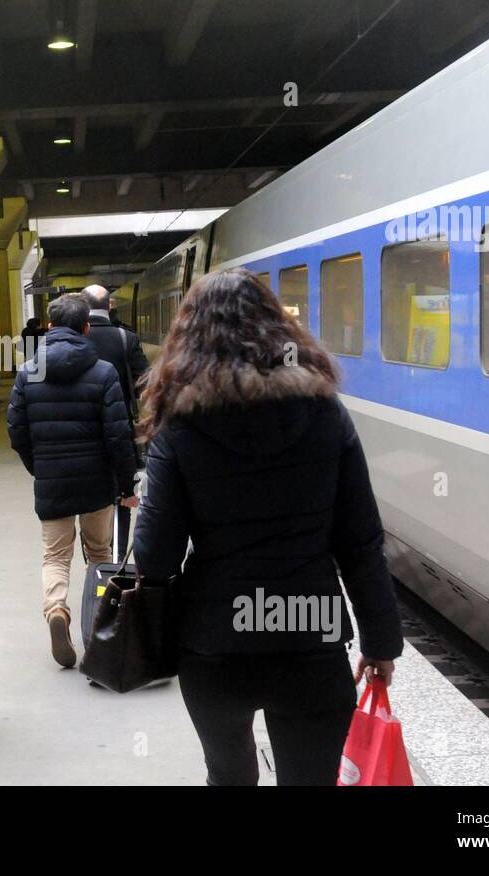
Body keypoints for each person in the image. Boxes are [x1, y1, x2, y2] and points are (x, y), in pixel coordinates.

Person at [132, 269, 403, 786]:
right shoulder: (325, 412)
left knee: (229, 778)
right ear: (279, 328)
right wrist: (381, 641)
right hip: (310, 636)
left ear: (190, 334)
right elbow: (361, 541)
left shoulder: (181, 423)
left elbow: (156, 559)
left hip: (215, 644)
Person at [7, 293, 137, 669]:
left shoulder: (28, 372)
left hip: (53, 482)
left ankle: (56, 610)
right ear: (85, 328)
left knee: (55, 556)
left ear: (49, 327)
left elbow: (17, 430)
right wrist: (126, 485)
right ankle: (98, 626)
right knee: (99, 556)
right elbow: (118, 435)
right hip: (97, 484)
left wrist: (39, 465)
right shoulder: (103, 371)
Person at [81, 283, 149, 560]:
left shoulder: (73, 338)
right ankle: (117, 562)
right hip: (120, 428)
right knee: (123, 495)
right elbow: (146, 382)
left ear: (84, 309)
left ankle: (95, 561)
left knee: (90, 503)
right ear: (110, 307)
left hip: (83, 432)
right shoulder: (126, 338)